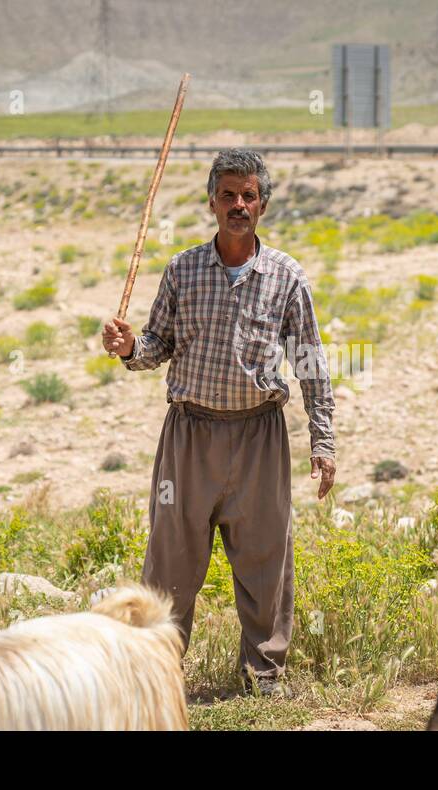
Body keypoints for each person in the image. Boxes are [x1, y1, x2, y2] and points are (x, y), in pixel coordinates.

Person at [102, 148, 336, 694]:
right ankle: (156, 672)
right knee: (171, 559)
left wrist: (323, 440)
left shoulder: (287, 277)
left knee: (265, 559)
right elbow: (157, 345)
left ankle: (263, 674)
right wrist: (129, 346)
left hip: (260, 437)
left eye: (248, 196)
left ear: (263, 205)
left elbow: (309, 362)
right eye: (228, 195)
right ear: (211, 202)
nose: (238, 205)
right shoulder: (182, 270)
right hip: (190, 434)